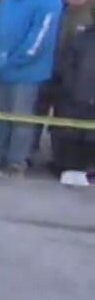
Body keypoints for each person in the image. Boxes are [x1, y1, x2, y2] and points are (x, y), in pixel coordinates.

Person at [0, 0, 64, 179]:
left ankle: (16, 162)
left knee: (20, 118)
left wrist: (17, 59)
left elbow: (40, 37)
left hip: (27, 71)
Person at [52, 15, 95, 186]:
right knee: (72, 136)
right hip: (76, 97)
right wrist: (76, 90)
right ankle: (68, 169)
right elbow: (68, 66)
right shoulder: (81, 38)